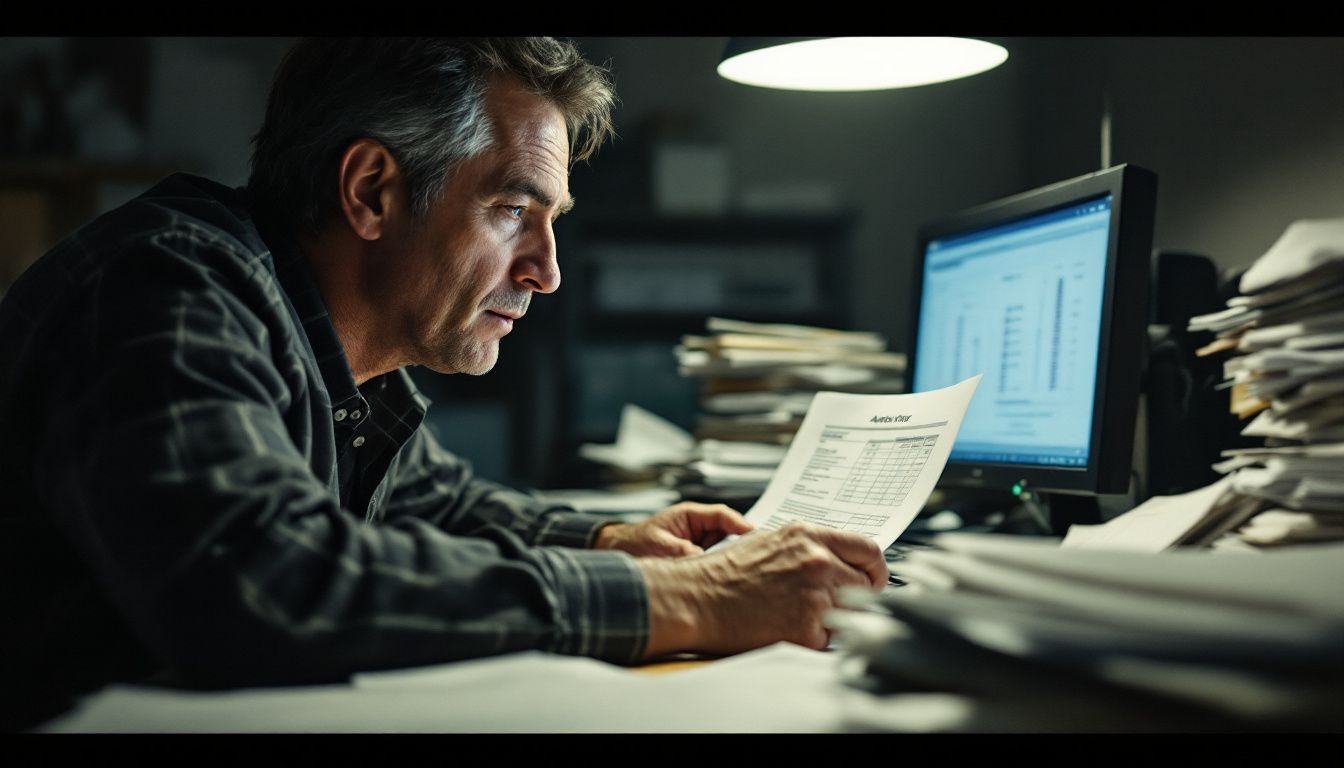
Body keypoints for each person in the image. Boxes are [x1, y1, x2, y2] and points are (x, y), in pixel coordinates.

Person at [0, 37, 887, 729]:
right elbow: (267, 580)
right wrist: (690, 597)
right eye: (512, 211)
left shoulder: (336, 357)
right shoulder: (166, 290)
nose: (546, 271)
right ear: (374, 191)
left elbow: (447, 505)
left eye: (552, 223)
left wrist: (618, 538)